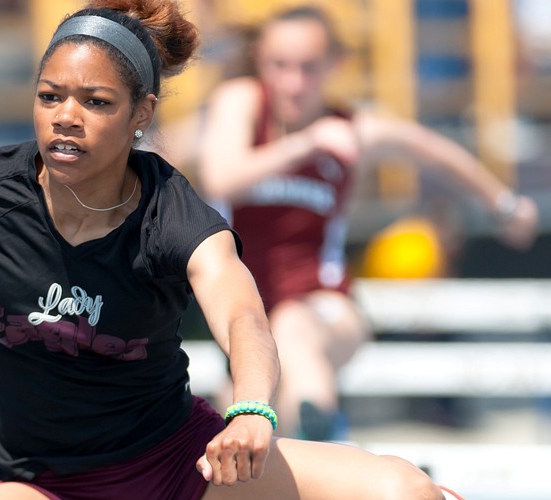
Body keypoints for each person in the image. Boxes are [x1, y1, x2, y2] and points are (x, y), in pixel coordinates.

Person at [0, 1, 482, 500]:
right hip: (46, 491)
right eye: (51, 96)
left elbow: (241, 312)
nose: (66, 118)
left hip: (183, 470)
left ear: (141, 113)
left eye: (95, 102)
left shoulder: (173, 211)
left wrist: (255, 408)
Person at [194, 5, 540, 441]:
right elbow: (222, 177)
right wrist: (306, 143)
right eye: (280, 66)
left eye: (309, 68)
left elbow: (435, 153)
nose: (293, 83)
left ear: (336, 65)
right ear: (261, 61)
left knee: (293, 329)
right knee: (244, 417)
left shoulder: (353, 128)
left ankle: (325, 451)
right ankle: (321, 458)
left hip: (325, 303)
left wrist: (503, 205)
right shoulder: (242, 102)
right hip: (246, 313)